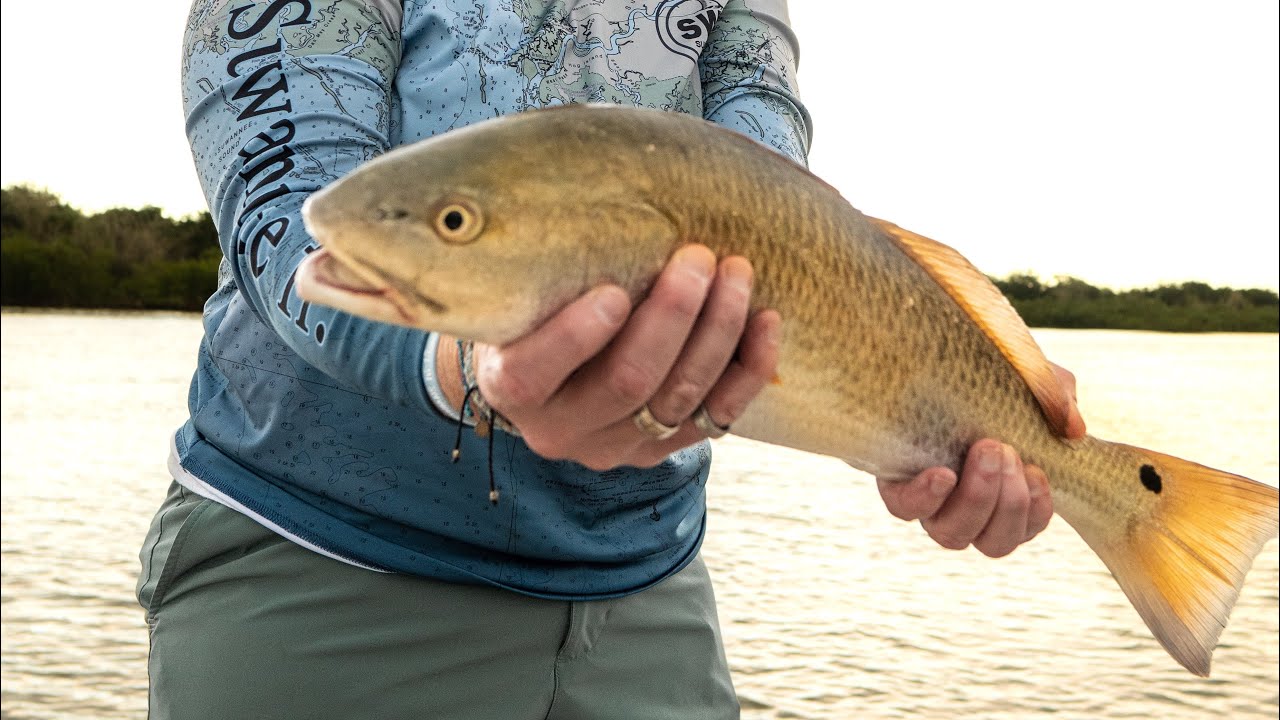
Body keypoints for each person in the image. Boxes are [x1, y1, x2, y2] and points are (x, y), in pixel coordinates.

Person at [138, 1, 1083, 718]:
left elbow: (763, 183)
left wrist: (956, 418)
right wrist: (472, 373)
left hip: (650, 594)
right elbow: (293, 227)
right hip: (317, 578)